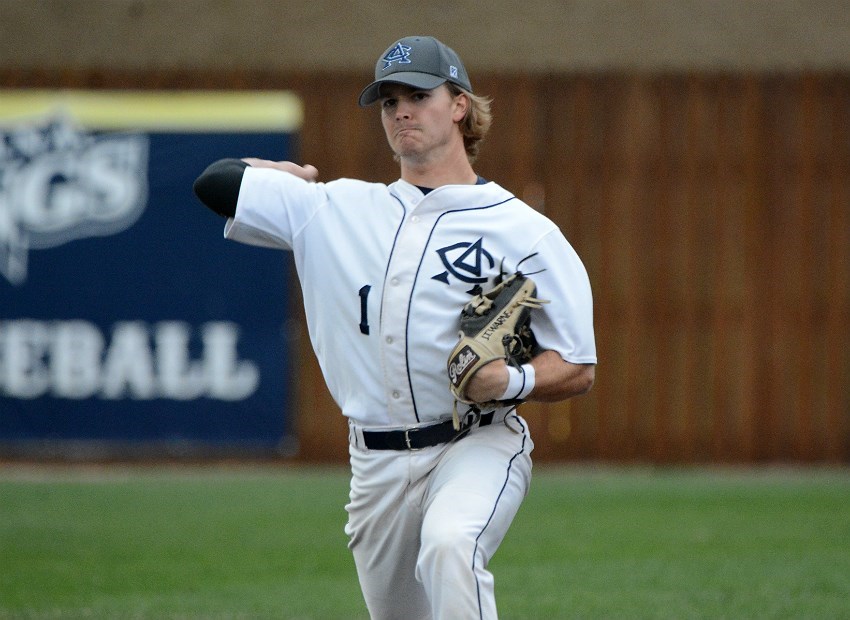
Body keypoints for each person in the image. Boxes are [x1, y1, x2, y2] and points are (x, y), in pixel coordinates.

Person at [193, 35, 596, 620]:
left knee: (452, 546)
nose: (401, 109)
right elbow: (214, 183)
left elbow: (578, 366)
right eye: (389, 101)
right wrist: (277, 172)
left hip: (474, 441)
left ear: (459, 105)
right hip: (376, 464)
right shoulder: (332, 209)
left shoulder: (525, 233)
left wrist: (507, 383)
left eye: (418, 94)